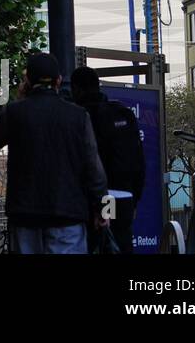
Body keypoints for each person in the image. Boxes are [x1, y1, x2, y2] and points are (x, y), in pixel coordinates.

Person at [0, 52, 108, 254]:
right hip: (68, 215)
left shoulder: (14, 112)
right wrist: (104, 211)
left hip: (25, 216)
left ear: (27, 81)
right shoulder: (78, 116)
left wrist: (20, 99)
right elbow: (95, 170)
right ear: (59, 80)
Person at [71, 65, 145, 255]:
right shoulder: (123, 113)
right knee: (121, 244)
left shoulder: (81, 116)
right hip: (126, 197)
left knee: (99, 245)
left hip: (101, 198)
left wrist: (99, 205)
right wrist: (135, 197)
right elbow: (139, 160)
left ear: (77, 89)